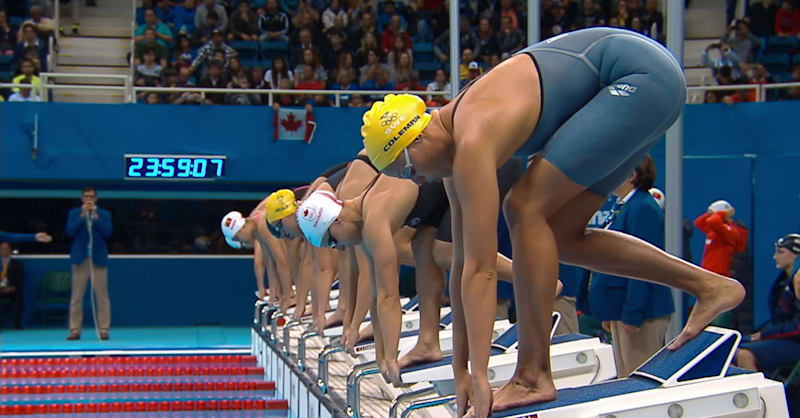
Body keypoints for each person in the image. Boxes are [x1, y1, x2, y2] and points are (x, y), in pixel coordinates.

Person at [360, 27, 745, 416]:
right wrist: (461, 369)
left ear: (416, 140)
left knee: (524, 208)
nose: (417, 181)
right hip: (640, 83)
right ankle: (710, 286)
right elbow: (464, 263)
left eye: (407, 170)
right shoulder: (453, 150)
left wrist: (481, 374)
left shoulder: (473, 136)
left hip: (639, 77)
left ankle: (533, 375)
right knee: (559, 233)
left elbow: (482, 271)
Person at [295, 158, 529, 383]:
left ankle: (532, 279)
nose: (341, 248)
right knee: (422, 246)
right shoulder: (364, 219)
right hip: (443, 186)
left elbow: (389, 296)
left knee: (445, 253)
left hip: (488, 164)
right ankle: (428, 343)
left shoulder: (374, 221)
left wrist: (390, 358)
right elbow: (377, 294)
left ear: (336, 222)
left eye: (334, 242)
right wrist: (381, 356)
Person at [589, 156, 675, 377]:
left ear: (632, 175)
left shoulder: (642, 208)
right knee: (626, 376)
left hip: (640, 313)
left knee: (639, 380)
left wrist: (633, 313)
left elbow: (644, 266)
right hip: (621, 308)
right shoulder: (624, 206)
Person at [735, 234, 800, 374]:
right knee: (730, 348)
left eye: (781, 252)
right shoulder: (782, 284)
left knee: (745, 354)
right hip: (785, 337)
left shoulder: (795, 284)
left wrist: (764, 334)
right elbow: (781, 320)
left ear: (796, 255)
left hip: (795, 342)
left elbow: (797, 327)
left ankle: (758, 396)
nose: (775, 257)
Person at [220, 197, 297, 312]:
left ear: (241, 229)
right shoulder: (256, 229)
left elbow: (281, 261)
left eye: (238, 239)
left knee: (297, 255)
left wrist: (287, 296)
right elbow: (271, 263)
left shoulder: (262, 223)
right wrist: (277, 295)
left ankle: (296, 297)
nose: (243, 243)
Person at [66, 187, 112, 341]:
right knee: (77, 296)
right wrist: (81, 216)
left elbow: (108, 232)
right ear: (82, 198)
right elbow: (70, 232)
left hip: (98, 259)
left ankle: (104, 329)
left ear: (96, 199)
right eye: (86, 196)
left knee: (102, 296)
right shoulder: (73, 214)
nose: (89, 199)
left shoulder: (104, 214)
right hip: (81, 259)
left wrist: (96, 217)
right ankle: (75, 329)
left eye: (91, 197)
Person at [694, 200, 748, 277]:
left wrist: (722, 213)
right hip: (707, 272)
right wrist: (708, 214)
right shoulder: (714, 230)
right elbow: (698, 223)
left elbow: (712, 221)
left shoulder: (731, 230)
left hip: (719, 274)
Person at [0, 242, 24, 329]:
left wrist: (11, 288)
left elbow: (19, 279)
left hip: (11, 289)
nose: (4, 251)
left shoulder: (16, 264)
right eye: (2, 249)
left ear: (10, 251)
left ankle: (17, 325)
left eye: (6, 249)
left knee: (18, 296)